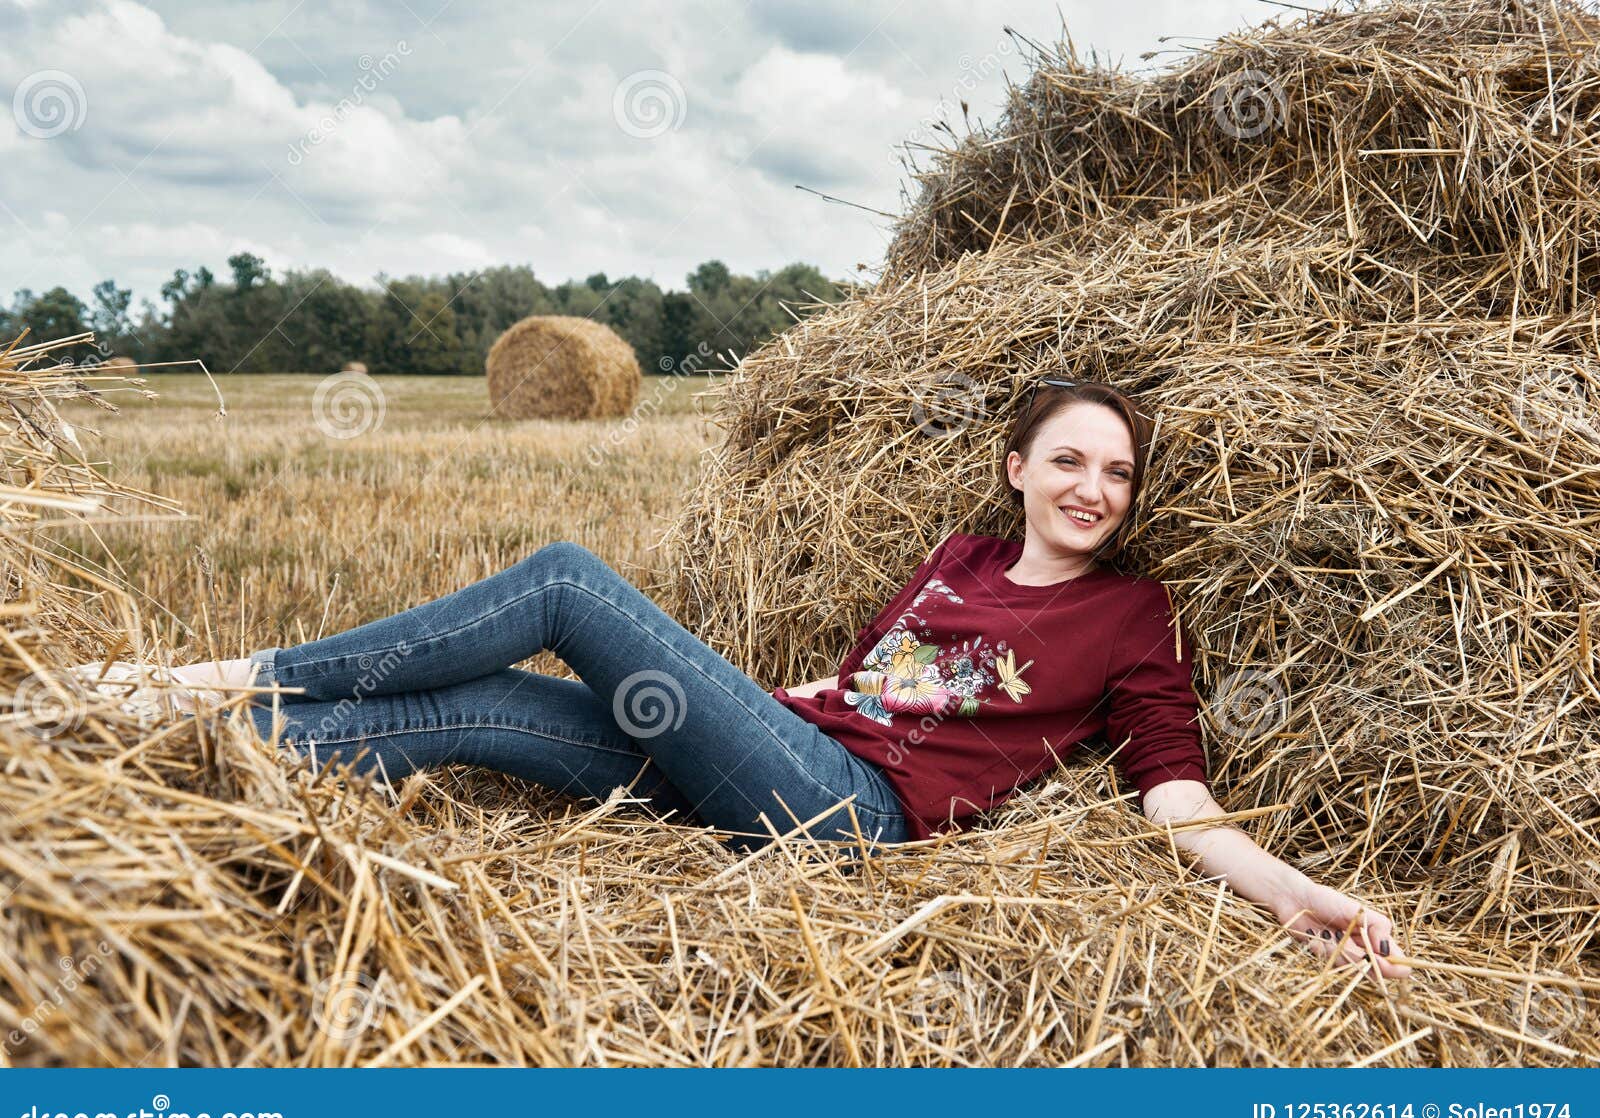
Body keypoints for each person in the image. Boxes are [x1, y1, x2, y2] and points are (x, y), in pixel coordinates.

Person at [102, 374, 1410, 979]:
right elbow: (858, 684)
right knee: (482, 713)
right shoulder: (956, 558)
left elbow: (1174, 800)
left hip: (849, 816)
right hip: (781, 756)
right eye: (1069, 460)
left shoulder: (1133, 617)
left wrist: (1307, 900)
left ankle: (206, 680)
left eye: (1116, 473)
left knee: (563, 582)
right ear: (1018, 468)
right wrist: (739, 707)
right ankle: (180, 754)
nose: (1093, 489)